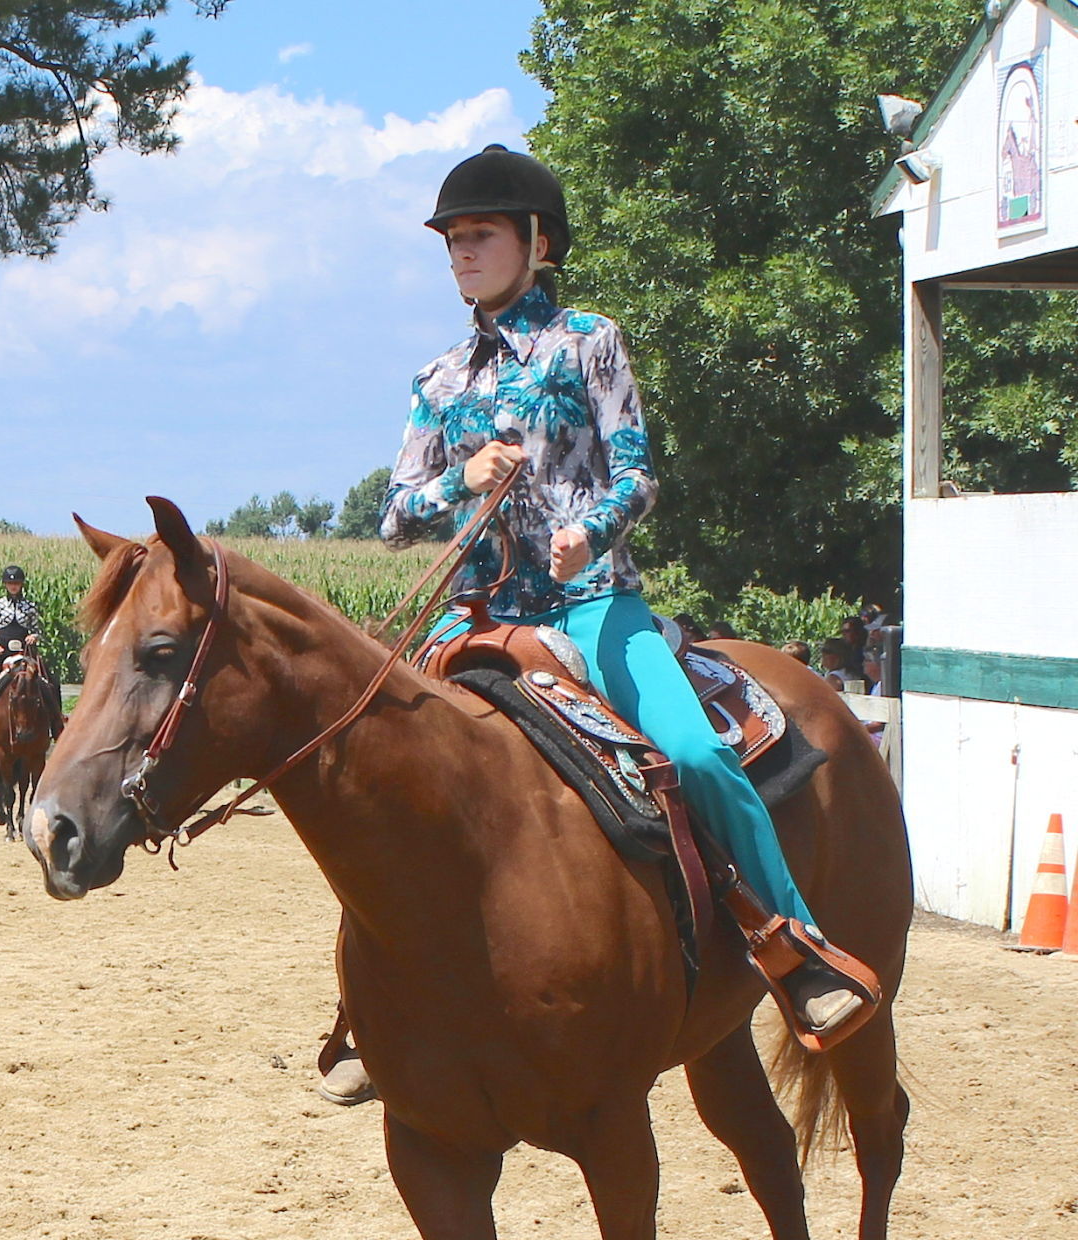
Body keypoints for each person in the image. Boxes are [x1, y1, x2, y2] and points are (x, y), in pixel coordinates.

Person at [320, 145, 875, 1102]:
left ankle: (796, 947)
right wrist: (463, 478)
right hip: (474, 615)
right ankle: (377, 1009)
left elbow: (638, 474)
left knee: (698, 759)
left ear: (536, 241)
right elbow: (395, 515)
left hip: (594, 605)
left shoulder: (590, 341)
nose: (462, 250)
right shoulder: (438, 377)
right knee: (374, 774)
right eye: (453, 237)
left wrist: (587, 532)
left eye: (481, 233)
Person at [0, 565, 64, 742]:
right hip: (3, 651)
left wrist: (34, 636)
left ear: (21, 584)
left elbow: (37, 629)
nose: (13, 586)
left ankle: (57, 723)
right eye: (10, 583)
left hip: (26, 651)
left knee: (51, 681)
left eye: (16, 583)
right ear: (5, 585)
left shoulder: (30, 606)